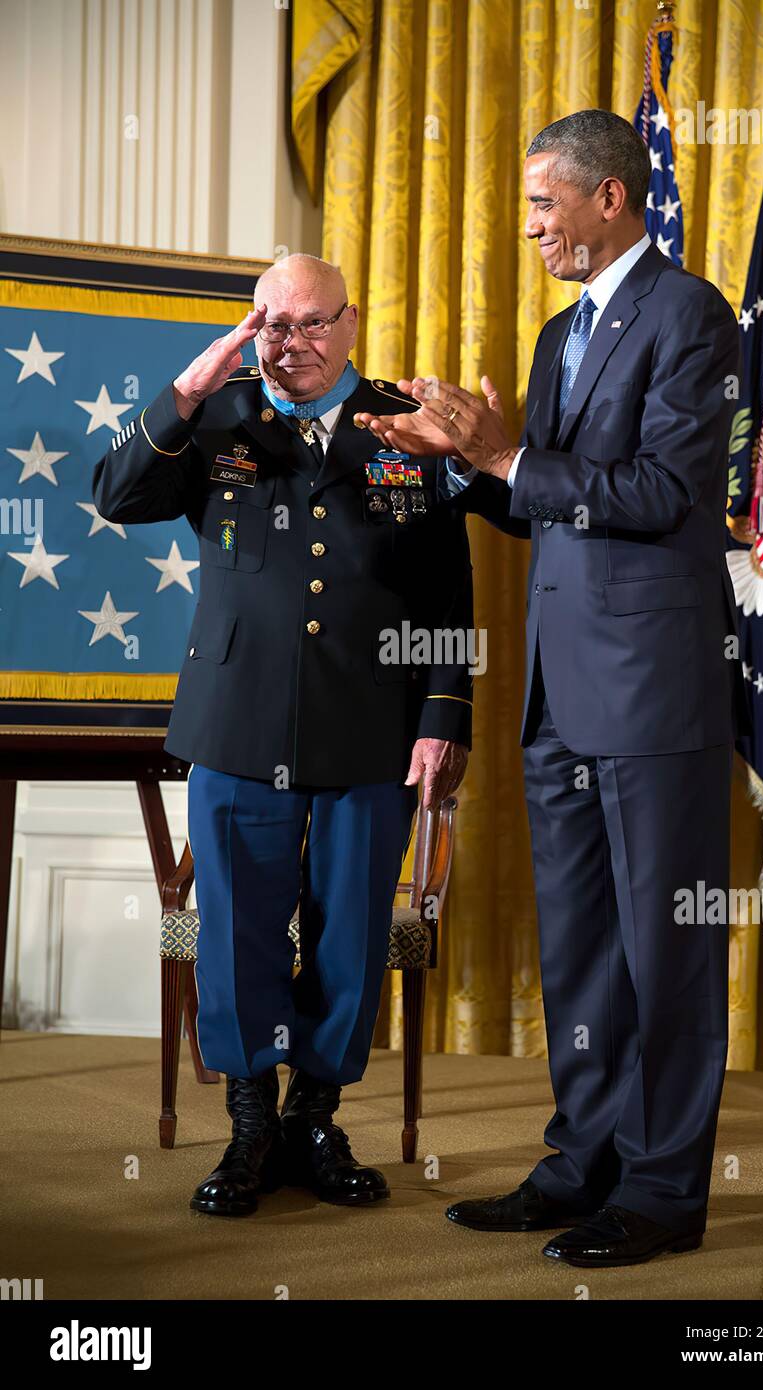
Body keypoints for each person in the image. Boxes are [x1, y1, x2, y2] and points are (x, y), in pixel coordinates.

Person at [355, 109, 748, 1268]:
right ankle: (584, 1160)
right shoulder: (553, 333)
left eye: (542, 203)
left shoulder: (690, 315)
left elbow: (661, 492)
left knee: (662, 951)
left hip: (652, 691)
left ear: (608, 199)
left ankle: (665, 1192)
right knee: (580, 946)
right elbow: (553, 505)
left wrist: (499, 456)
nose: (529, 224)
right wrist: (456, 462)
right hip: (555, 692)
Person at [93, 254, 473, 1217]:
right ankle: (253, 1125)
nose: (287, 342)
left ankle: (317, 1115)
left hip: (370, 725)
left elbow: (444, 588)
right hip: (235, 719)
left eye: (308, 323)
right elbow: (116, 494)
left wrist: (442, 718)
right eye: (270, 323)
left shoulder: (400, 424)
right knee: (239, 932)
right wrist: (188, 386)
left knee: (348, 932)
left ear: (350, 323)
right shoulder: (213, 416)